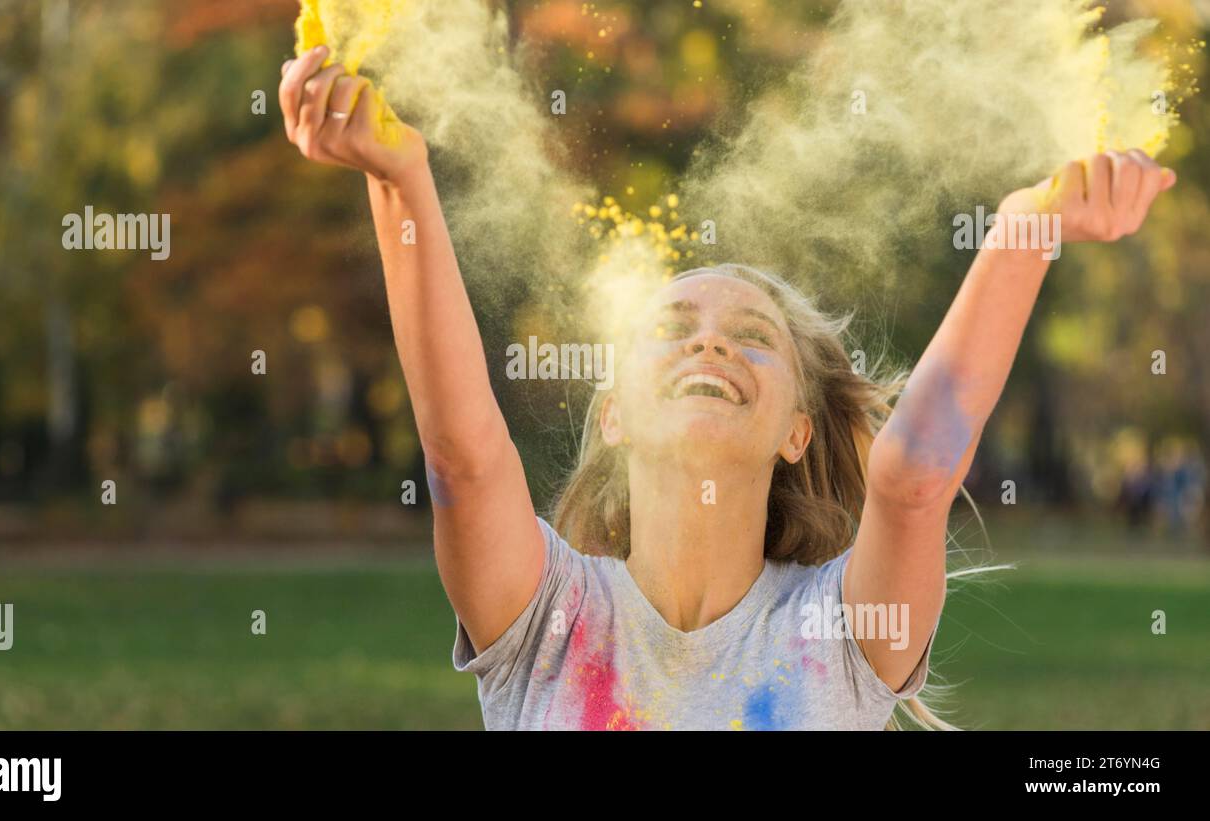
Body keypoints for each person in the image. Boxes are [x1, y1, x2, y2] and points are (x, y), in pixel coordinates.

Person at [278, 45, 1177, 729]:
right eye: (673, 330)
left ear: (797, 427)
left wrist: (1025, 227)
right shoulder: (550, 611)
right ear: (616, 412)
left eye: (753, 338)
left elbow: (911, 477)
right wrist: (401, 177)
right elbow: (463, 459)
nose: (710, 342)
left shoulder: (839, 630)